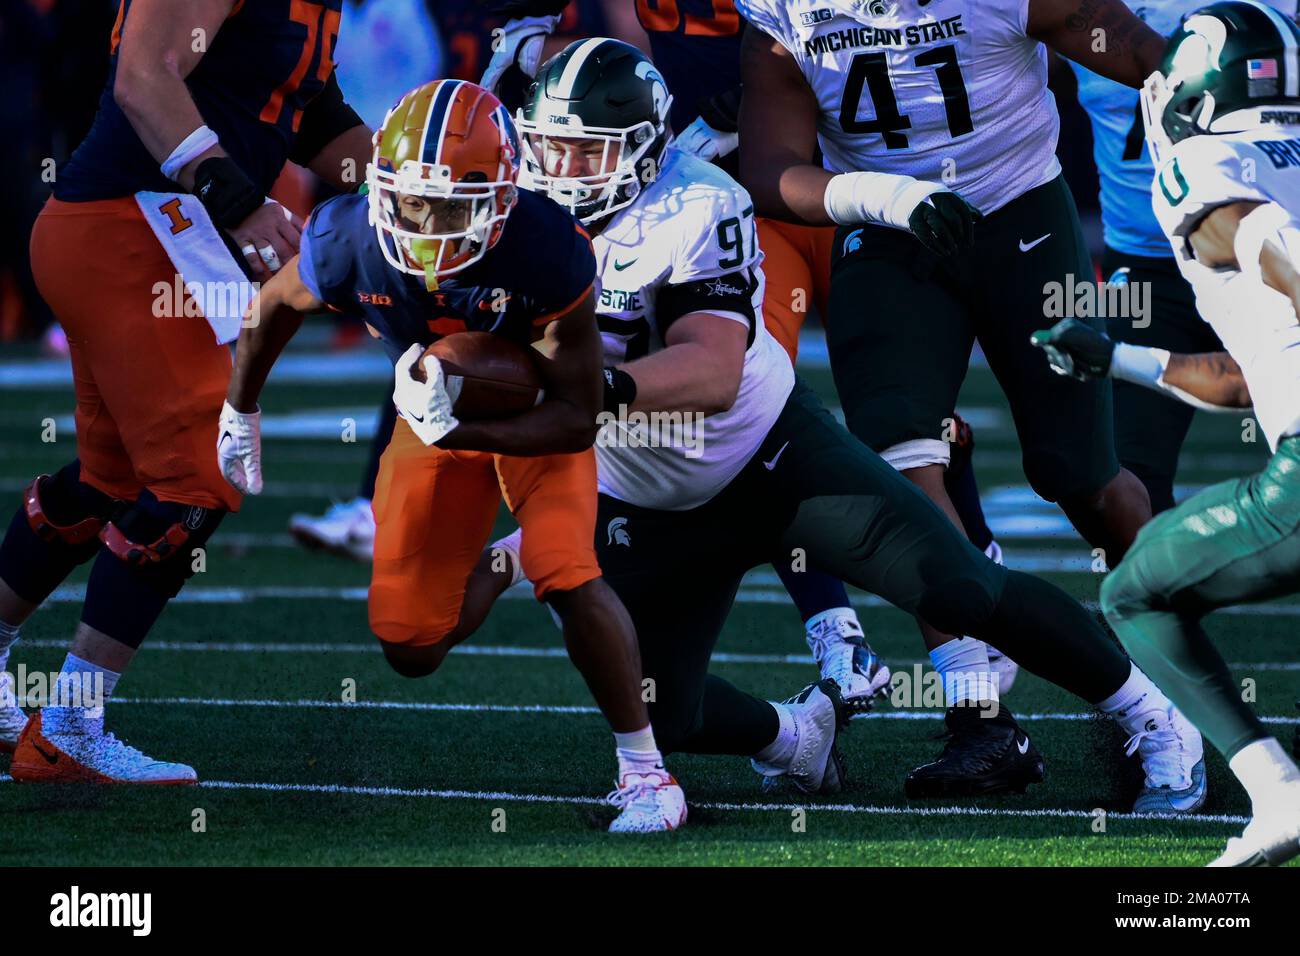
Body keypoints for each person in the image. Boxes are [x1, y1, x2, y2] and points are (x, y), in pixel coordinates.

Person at [473, 37, 1204, 809]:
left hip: (772, 459)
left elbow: (713, 371)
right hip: (649, 497)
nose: (556, 171)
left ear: (640, 149)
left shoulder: (695, 203)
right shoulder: (518, 219)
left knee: (956, 586)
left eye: (582, 154)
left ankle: (1154, 720)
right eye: (547, 149)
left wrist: (589, 393)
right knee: (658, 703)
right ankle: (793, 736)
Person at [218, 77, 687, 833]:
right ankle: (511, 558)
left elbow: (577, 414)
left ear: (504, 196)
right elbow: (272, 305)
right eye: (411, 202)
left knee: (569, 571)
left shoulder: (546, 248)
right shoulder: (348, 240)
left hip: (530, 411)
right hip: (429, 409)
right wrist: (240, 408)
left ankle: (645, 772)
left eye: (452, 207)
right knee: (411, 644)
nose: (428, 225)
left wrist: (463, 429)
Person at [1, 0, 372, 782]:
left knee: (113, 482)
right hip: (129, 225)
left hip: (150, 232)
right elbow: (143, 76)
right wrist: (231, 192)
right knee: (200, 476)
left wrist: (418, 177)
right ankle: (68, 724)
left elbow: (312, 115)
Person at [1034, 0, 1300, 863]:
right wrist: (1116, 359)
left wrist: (1276, 242)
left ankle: (1274, 789)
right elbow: (1239, 377)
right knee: (1128, 495)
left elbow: (1251, 231)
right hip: (1164, 296)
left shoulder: (1200, 158)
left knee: (1137, 592)